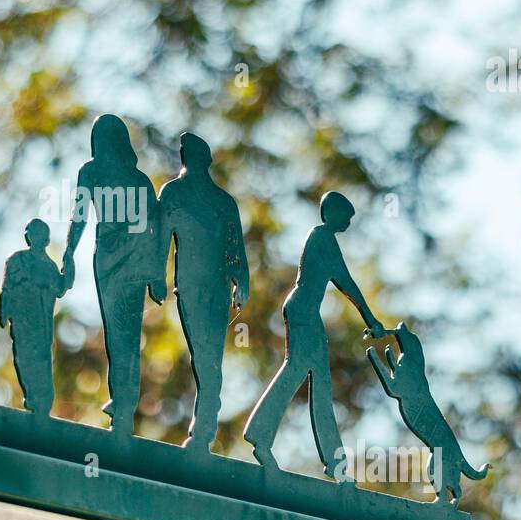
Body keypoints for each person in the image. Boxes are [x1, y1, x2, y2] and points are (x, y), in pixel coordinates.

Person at [242, 191, 386, 475]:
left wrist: (371, 318)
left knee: (314, 381)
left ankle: (330, 461)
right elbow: (346, 281)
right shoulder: (322, 238)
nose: (348, 222)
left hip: (307, 313)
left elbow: (343, 281)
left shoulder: (324, 238)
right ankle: (328, 460)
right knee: (305, 376)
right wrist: (371, 319)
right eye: (346, 216)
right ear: (331, 213)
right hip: (303, 312)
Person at [62, 115, 165, 438]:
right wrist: (156, 274)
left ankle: (122, 404)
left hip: (113, 260)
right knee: (124, 336)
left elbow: (154, 228)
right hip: (116, 261)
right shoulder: (130, 178)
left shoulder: (100, 174)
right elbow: (153, 231)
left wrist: (68, 252)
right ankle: (122, 401)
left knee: (121, 336)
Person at [158, 133, 249, 454]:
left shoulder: (224, 202)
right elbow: (161, 240)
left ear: (205, 159)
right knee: (203, 353)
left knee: (210, 354)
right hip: (190, 285)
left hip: (217, 286)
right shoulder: (173, 193)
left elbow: (235, 244)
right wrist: (157, 277)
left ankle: (204, 426)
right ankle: (205, 423)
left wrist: (243, 280)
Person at [0, 219, 66, 416]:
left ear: (46, 239)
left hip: (41, 324)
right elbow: (7, 288)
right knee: (23, 358)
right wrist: (4, 312)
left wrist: (68, 270)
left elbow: (60, 288)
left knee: (42, 360)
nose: (36, 237)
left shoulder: (50, 267)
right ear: (28, 236)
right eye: (33, 232)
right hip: (21, 320)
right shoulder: (17, 259)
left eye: (40, 234)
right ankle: (31, 396)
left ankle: (42, 400)